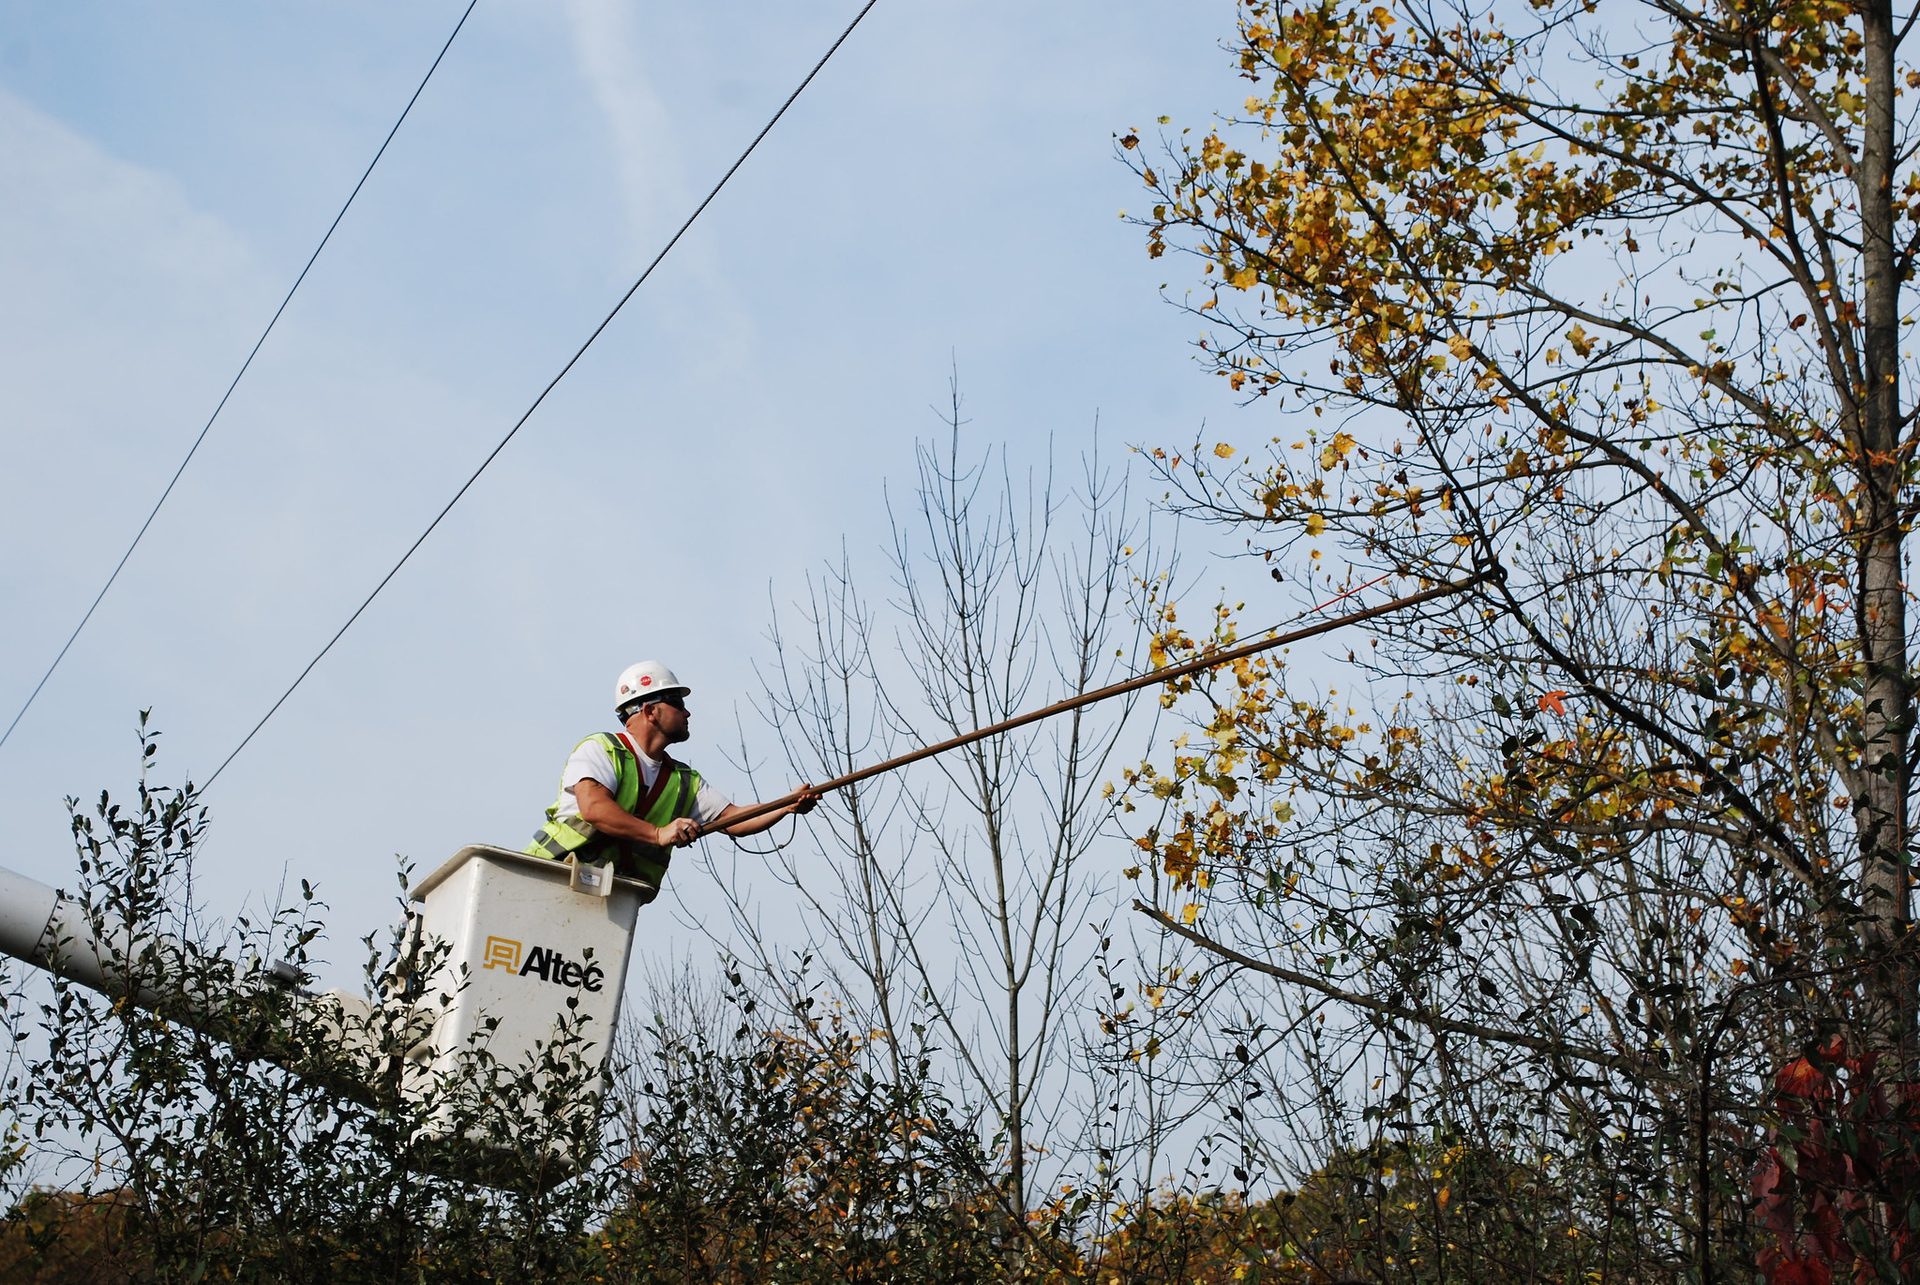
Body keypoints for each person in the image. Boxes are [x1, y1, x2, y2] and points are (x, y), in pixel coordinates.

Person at [526, 660, 818, 893]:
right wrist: (658, 833)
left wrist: (786, 805)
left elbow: (735, 819)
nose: (687, 712)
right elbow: (594, 808)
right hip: (546, 878)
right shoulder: (602, 750)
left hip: (611, 898)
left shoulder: (683, 781)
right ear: (651, 711)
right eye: (677, 703)